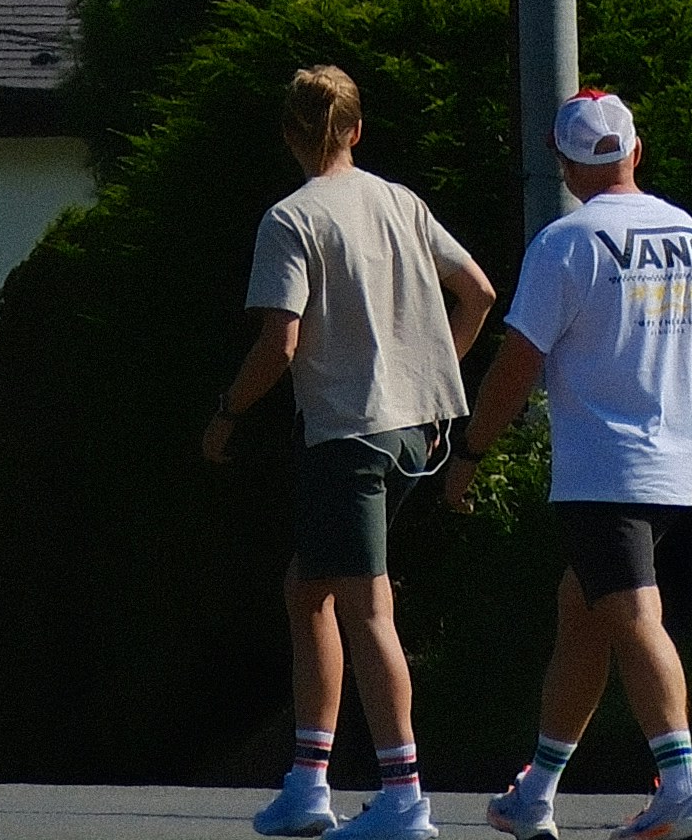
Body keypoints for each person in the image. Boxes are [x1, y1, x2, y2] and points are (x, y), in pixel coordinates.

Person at [449, 83, 692, 838]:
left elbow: (516, 365)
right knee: (581, 614)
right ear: (635, 151)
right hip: (676, 469)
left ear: (563, 164)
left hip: (599, 469)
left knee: (631, 614)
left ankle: (682, 784)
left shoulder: (567, 242)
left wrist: (470, 451)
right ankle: (536, 794)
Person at [203, 59, 496, 840]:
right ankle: (308, 779)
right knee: (309, 589)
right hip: (412, 430)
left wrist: (228, 412)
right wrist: (431, 369)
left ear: (290, 134)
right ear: (356, 130)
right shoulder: (399, 200)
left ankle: (403, 795)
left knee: (366, 604)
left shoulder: (291, 218)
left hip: (346, 433)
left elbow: (280, 342)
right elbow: (478, 291)